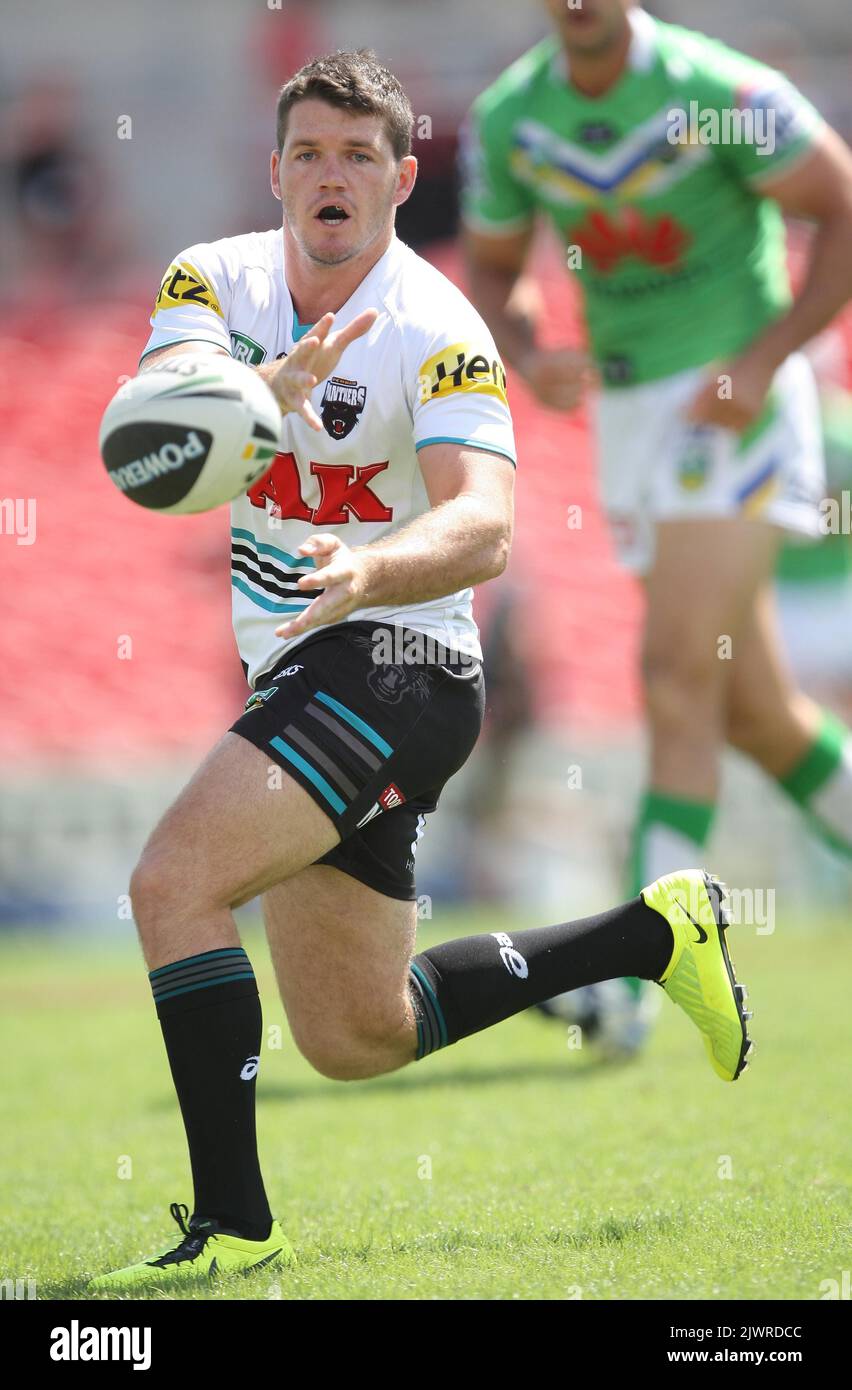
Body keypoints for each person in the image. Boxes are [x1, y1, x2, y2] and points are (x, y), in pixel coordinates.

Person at [88, 50, 752, 1292]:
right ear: (273, 169)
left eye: (356, 155)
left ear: (400, 178)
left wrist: (375, 570)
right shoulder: (211, 280)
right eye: (308, 152)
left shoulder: (440, 326)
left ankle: (234, 1230)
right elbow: (148, 424)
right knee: (356, 1034)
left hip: (401, 659)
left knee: (171, 881)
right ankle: (652, 937)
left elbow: (486, 523)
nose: (329, 175)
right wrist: (239, 396)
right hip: (297, 668)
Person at [460, 0, 852, 1048]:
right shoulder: (514, 118)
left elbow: (841, 199)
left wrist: (767, 360)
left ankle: (632, 981)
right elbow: (492, 271)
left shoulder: (714, 92)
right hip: (628, 420)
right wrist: (528, 346)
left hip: (737, 403)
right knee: (757, 713)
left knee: (675, 675)